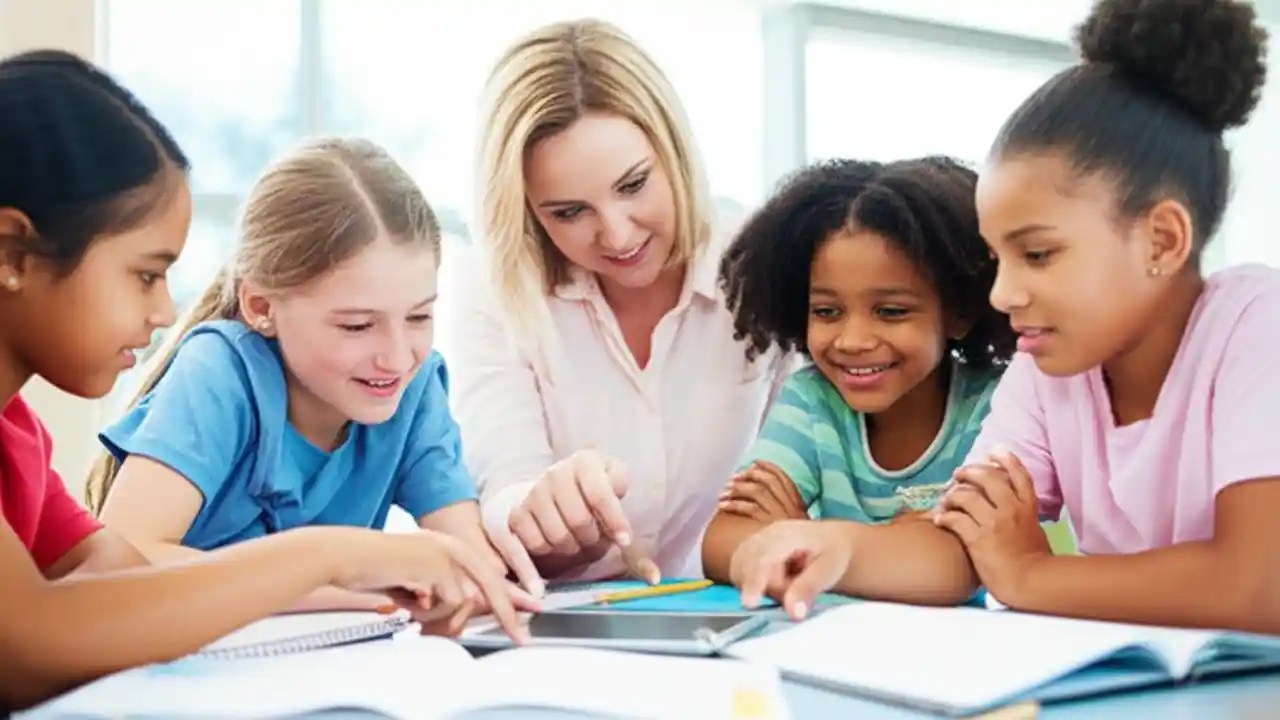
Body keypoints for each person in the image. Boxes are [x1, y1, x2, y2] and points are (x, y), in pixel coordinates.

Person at [0, 50, 524, 711]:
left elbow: (113, 579)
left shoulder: (16, 432)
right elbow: (23, 646)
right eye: (145, 275)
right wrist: (332, 557)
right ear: (13, 255)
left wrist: (364, 578)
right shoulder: (221, 371)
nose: (165, 313)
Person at [933, 0, 1279, 633]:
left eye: (1038, 253)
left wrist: (1031, 575)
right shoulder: (1049, 365)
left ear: (1162, 241)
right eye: (997, 258)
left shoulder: (1259, 325)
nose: (1002, 294)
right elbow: (963, 542)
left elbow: (1261, 585)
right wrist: (833, 548)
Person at [87, 137, 508, 615]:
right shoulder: (219, 374)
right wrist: (345, 588)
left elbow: (468, 558)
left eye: (419, 318)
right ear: (261, 306)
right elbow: (124, 561)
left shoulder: (415, 387)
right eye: (357, 326)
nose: (395, 358)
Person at [454, 18, 789, 595]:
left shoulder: (763, 265)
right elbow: (504, 484)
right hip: (559, 619)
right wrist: (542, 515)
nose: (616, 235)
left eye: (633, 185)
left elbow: (800, 478)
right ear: (528, 209)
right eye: (568, 212)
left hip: (724, 608)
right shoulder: (494, 290)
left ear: (674, 151)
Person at [704, 157, 1012, 610]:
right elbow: (722, 539)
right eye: (827, 312)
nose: (852, 341)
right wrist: (898, 540)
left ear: (959, 313)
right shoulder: (813, 401)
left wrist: (807, 540)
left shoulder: (996, 407)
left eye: (891, 312)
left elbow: (959, 566)